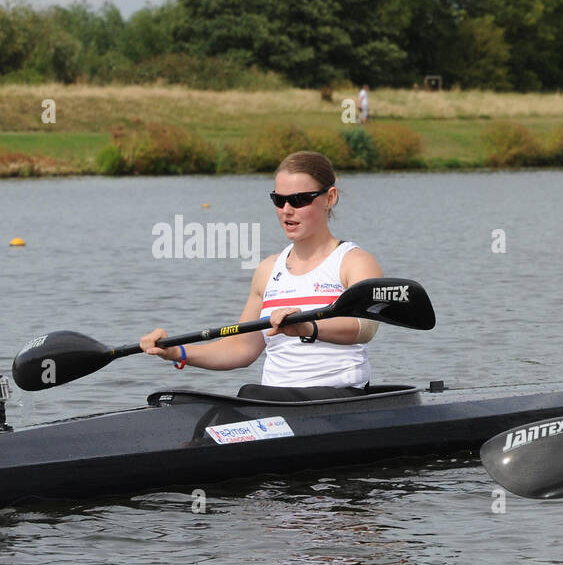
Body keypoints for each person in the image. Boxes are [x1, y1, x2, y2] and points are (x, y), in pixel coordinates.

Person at [140, 151, 384, 401]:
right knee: (245, 394)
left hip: (339, 398)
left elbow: (364, 328)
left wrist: (306, 326)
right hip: (275, 400)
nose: (287, 210)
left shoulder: (354, 262)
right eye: (279, 200)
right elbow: (241, 348)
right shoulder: (268, 270)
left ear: (329, 198)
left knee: (248, 394)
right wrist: (178, 352)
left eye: (299, 200)